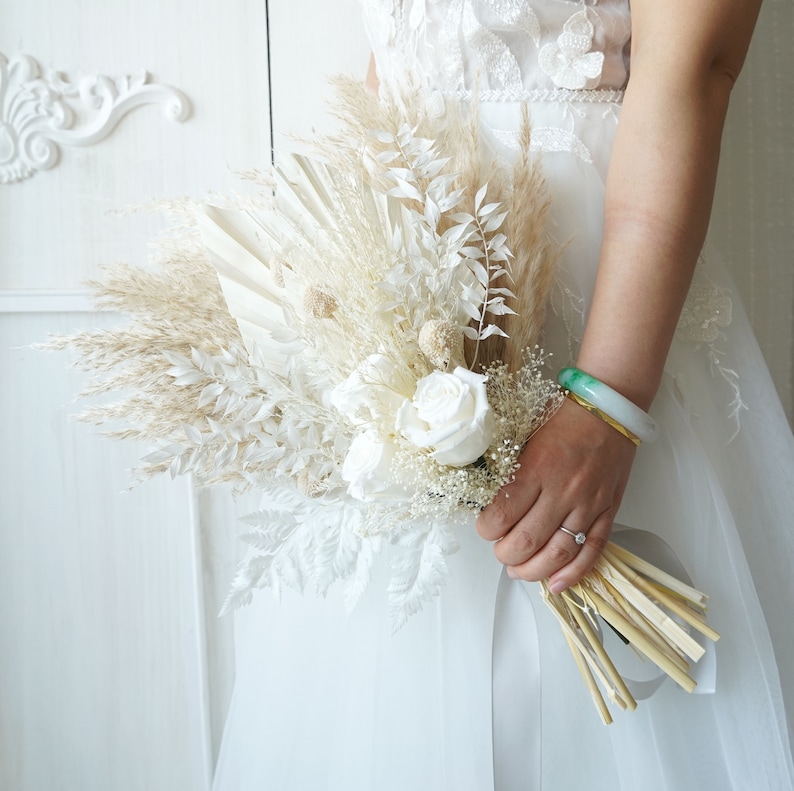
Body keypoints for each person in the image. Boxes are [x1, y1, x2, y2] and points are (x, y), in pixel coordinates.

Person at [212, 1, 794, 788]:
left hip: (593, 289)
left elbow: (691, 73)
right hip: (407, 285)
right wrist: (347, 308)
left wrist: (607, 404)